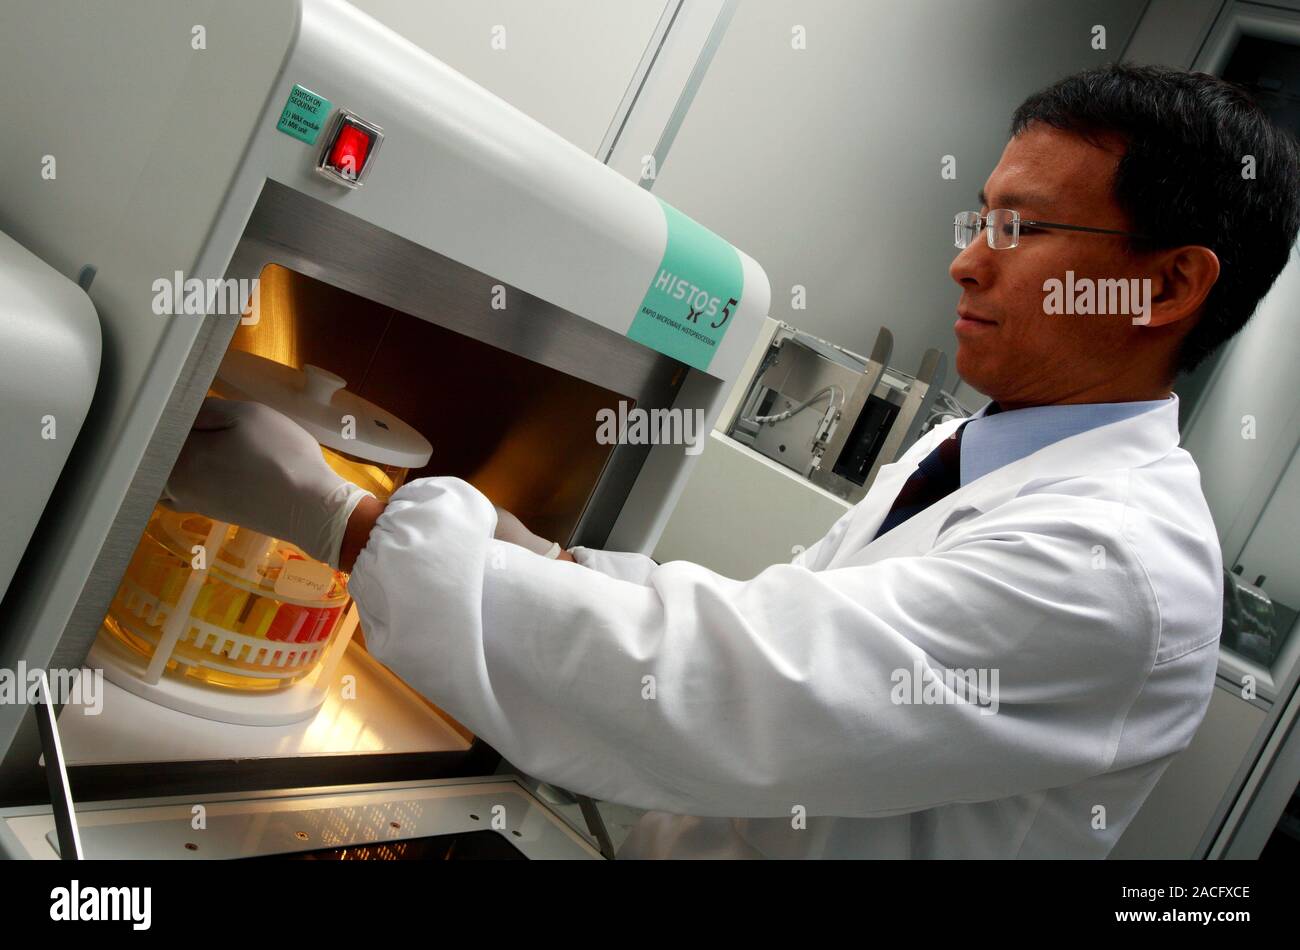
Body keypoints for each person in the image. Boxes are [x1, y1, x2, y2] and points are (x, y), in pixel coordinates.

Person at [164, 64, 1300, 858]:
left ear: (1163, 285)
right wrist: (532, 550)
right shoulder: (972, 446)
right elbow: (778, 619)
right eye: (978, 217)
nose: (965, 262)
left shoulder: (1115, 569)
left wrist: (339, 520)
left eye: (1017, 228)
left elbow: (739, 690)